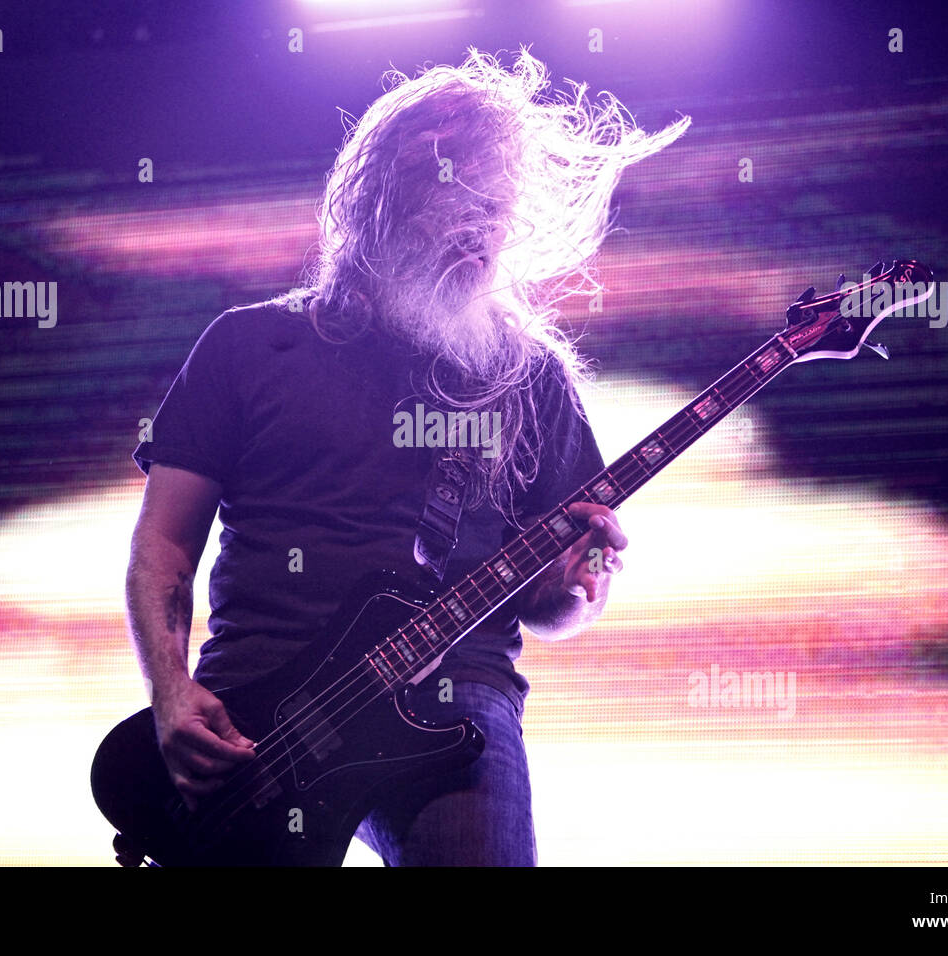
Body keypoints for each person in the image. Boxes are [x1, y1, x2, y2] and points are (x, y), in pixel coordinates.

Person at [125, 47, 688, 866]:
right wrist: (171, 695)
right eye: (455, 190)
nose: (482, 227)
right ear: (379, 201)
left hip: (458, 700)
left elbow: (559, 606)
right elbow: (163, 549)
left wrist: (574, 586)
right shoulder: (249, 345)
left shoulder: (529, 378)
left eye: (499, 204)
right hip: (257, 702)